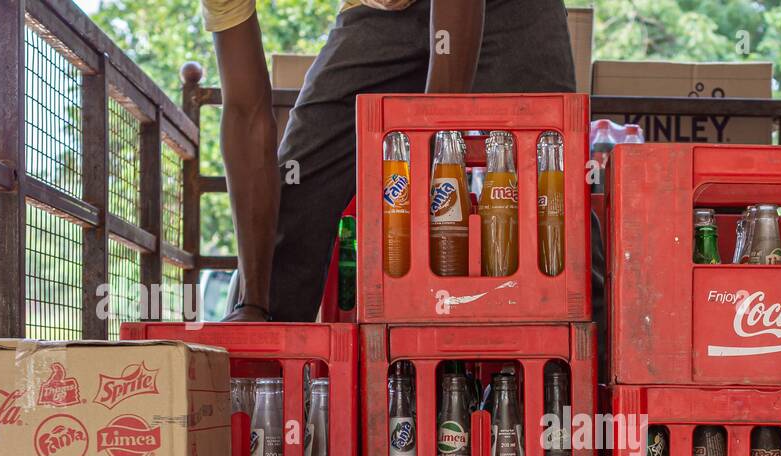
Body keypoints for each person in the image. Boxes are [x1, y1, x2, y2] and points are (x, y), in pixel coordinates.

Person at [204, 0, 576, 322]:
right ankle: (262, 360)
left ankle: (592, 377)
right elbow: (244, 114)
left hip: (513, 11)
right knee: (299, 182)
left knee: (550, 173)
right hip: (377, 16)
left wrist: (431, 163)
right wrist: (254, 300)